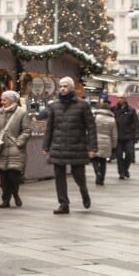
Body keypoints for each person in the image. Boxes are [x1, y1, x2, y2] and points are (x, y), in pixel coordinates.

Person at [42, 77, 97, 214]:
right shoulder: (54, 106)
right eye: (61, 86)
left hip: (77, 147)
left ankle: (84, 192)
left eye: (65, 86)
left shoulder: (83, 105)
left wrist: (92, 147)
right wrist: (46, 146)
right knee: (59, 177)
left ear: (72, 88)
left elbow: (91, 128)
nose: (62, 88)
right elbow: (49, 128)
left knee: (79, 176)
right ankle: (63, 204)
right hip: (58, 146)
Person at [0, 89, 32, 208]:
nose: (2, 102)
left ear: (12, 100)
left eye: (5, 100)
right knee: (3, 177)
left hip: (16, 150)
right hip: (1, 148)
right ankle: (5, 200)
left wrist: (19, 142)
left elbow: (27, 130)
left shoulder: (22, 112)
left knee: (14, 177)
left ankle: (15, 194)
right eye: (1, 99)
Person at [112, 97, 139, 179]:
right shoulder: (114, 109)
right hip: (118, 137)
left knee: (129, 154)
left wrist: (137, 135)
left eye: (121, 98)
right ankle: (121, 172)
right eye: (118, 98)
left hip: (129, 136)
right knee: (119, 155)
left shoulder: (131, 110)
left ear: (125, 99)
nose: (119, 100)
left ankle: (125, 169)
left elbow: (136, 124)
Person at [91, 100, 118, 186]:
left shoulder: (95, 117)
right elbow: (114, 135)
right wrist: (114, 146)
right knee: (103, 160)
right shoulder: (112, 119)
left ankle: (97, 172)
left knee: (94, 158)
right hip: (107, 141)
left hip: (95, 140)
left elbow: (90, 129)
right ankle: (101, 179)